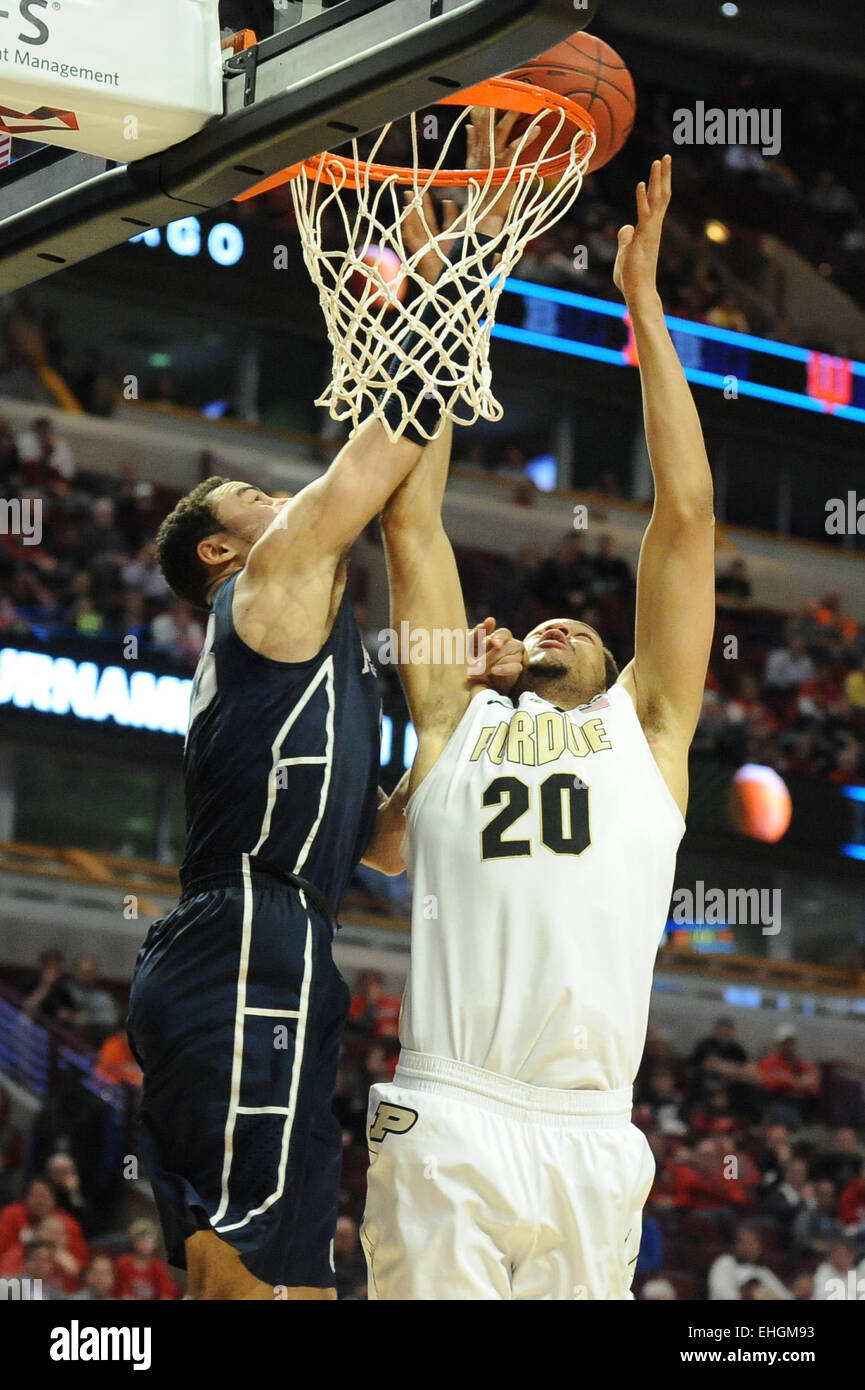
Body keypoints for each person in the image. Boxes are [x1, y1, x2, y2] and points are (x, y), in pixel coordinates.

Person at [126, 110, 521, 1303]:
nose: (276, 496)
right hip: (246, 939)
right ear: (213, 552)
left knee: (278, 1272)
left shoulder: (318, 648)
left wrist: (453, 742)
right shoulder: (267, 584)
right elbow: (381, 456)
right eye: (250, 492)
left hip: (276, 942)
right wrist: (447, 270)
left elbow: (387, 847)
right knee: (248, 1272)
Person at [362, 157, 717, 1300]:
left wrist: (646, 312)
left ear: (618, 666)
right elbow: (411, 524)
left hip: (589, 1126)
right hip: (453, 1099)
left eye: (590, 626)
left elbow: (688, 518)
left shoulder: (648, 730)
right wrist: (444, 308)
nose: (565, 620)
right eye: (552, 620)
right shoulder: (453, 716)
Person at [707, 1226, 792, 1301]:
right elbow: (724, 1294)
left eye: (752, 1243)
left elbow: (786, 1297)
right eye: (745, 1242)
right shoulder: (725, 1263)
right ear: (737, 1245)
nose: (748, 1247)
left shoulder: (763, 1271)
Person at [114, 1220, 177, 1300]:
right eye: (141, 1240)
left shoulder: (159, 1267)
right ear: (133, 1242)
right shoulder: (124, 1262)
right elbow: (123, 1294)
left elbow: (167, 1296)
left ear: (155, 1244)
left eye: (149, 1240)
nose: (145, 1244)